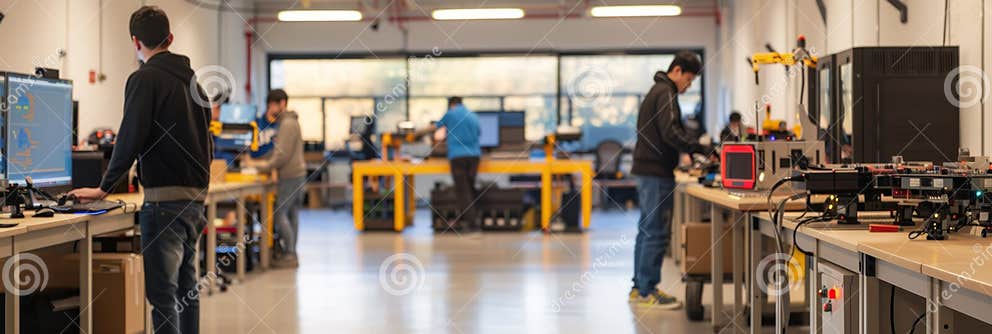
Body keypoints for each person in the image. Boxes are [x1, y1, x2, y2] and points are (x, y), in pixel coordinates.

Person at [69, 6, 212, 333]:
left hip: (163, 203)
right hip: (194, 201)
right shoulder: (195, 84)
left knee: (163, 297)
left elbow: (131, 135)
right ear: (171, 38)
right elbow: (208, 140)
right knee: (187, 292)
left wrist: (104, 187)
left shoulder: (144, 78)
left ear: (135, 42)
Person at [629, 51, 708, 309]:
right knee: (656, 232)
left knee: (647, 229)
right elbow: (670, 132)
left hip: (648, 170)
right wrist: (700, 148)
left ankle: (639, 287)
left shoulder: (658, 90)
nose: (688, 85)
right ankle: (646, 291)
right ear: (676, 71)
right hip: (655, 172)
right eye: (688, 79)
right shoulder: (666, 92)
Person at [248, 89, 307, 267]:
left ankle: (289, 254)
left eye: (273, 105)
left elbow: (281, 156)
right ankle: (291, 253)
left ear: (282, 103)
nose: (271, 109)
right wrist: (260, 161)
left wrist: (260, 166)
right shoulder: (289, 122)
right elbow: (277, 151)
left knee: (279, 214)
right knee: (291, 215)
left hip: (290, 176)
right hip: (297, 175)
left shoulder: (287, 124)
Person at [433, 97, 481, 236]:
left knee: (463, 191)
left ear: (451, 105)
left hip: (458, 156)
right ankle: (471, 219)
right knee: (470, 188)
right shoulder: (473, 115)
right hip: (474, 156)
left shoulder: (451, 113)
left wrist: (415, 133)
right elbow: (479, 134)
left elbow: (436, 128)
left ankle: (473, 225)